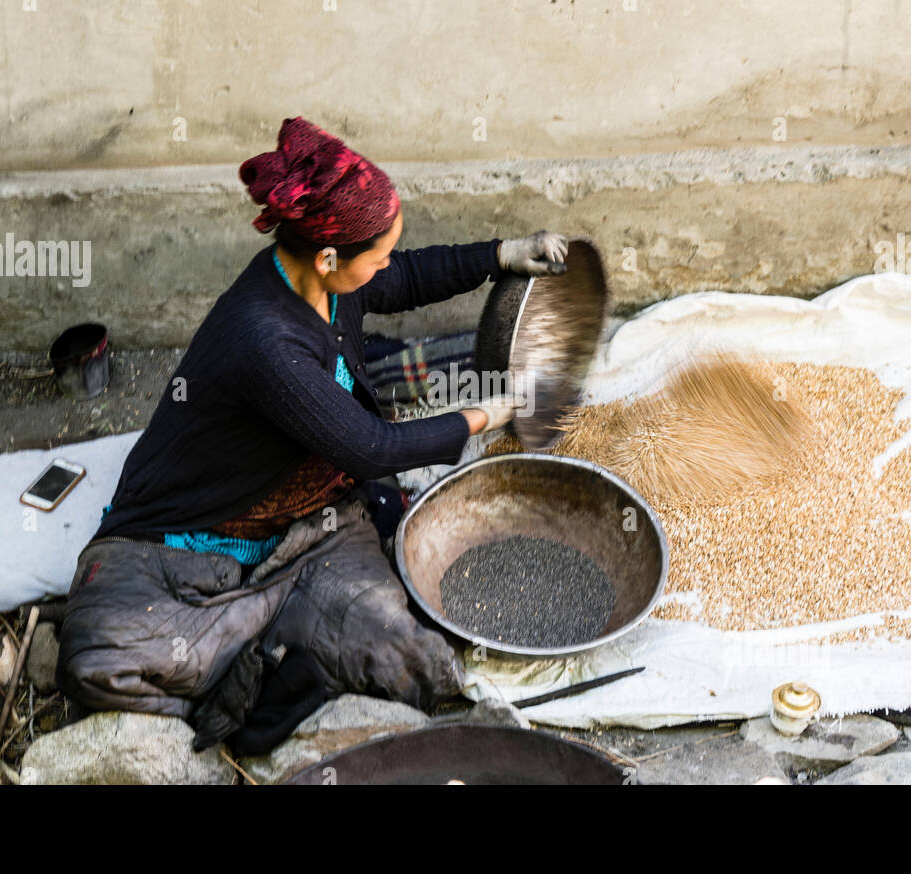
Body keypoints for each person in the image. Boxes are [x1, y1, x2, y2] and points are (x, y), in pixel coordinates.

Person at [55, 116, 570, 749]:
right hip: (184, 542)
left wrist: (500, 255)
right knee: (94, 661)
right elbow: (373, 448)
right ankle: (263, 642)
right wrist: (495, 411)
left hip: (310, 528)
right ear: (328, 258)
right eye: (375, 255)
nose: (385, 266)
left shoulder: (323, 280)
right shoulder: (265, 341)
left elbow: (403, 277)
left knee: (408, 654)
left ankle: (266, 643)